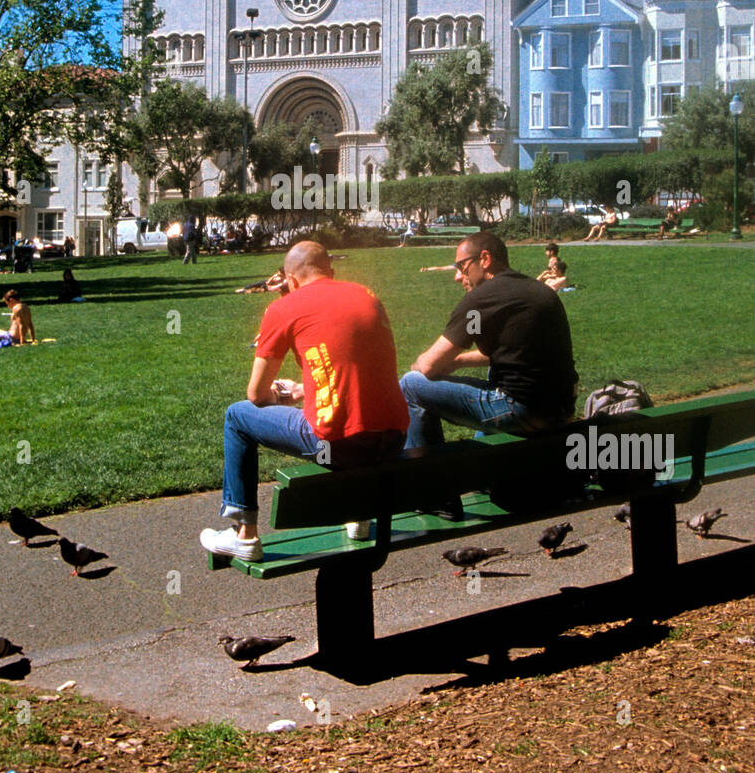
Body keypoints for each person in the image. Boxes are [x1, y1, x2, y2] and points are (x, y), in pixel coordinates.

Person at [199, 241, 409, 562]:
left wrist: (279, 396)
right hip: (393, 439)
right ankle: (360, 516)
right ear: (331, 272)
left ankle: (245, 534)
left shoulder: (283, 308)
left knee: (237, 417)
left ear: (290, 280)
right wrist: (300, 391)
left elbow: (256, 394)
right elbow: (347, 370)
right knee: (355, 412)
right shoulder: (367, 295)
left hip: (338, 446)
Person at [400, 232, 578, 513]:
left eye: (461, 266)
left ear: (484, 259)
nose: (458, 277)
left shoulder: (481, 300)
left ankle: (432, 492)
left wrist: (421, 364)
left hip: (521, 411)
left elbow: (429, 366)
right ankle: (485, 474)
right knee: (492, 381)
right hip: (560, 409)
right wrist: (457, 361)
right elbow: (506, 353)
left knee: (411, 385)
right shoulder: (537, 290)